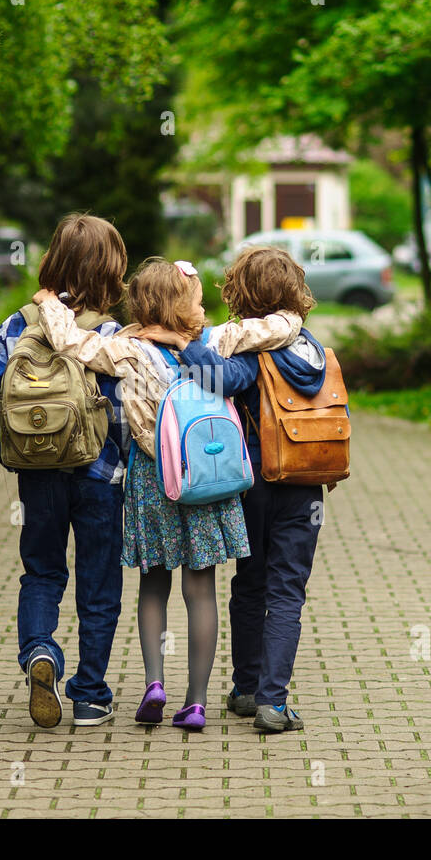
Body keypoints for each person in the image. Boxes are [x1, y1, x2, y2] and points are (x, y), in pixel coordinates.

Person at [32, 257, 300, 731]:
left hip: (152, 480)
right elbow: (281, 326)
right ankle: (195, 702)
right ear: (182, 305)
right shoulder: (215, 340)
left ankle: (155, 682)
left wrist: (51, 304)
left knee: (153, 585)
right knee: (201, 590)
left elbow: (72, 343)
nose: (204, 307)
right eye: (198, 299)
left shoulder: (127, 349)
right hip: (205, 478)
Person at [153, 246, 327, 733]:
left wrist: (184, 343)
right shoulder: (312, 349)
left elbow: (215, 378)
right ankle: (273, 700)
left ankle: (251, 691)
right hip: (307, 484)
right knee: (288, 589)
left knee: (250, 583)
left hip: (255, 485)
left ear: (241, 296)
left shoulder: (254, 353)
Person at [0, 213, 130, 728]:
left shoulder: (18, 324)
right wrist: (122, 462)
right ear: (111, 270)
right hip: (100, 478)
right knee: (98, 583)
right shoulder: (112, 335)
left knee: (42, 572)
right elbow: (130, 407)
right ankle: (90, 695)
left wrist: (10, 452)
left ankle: (41, 652)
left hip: (37, 475)